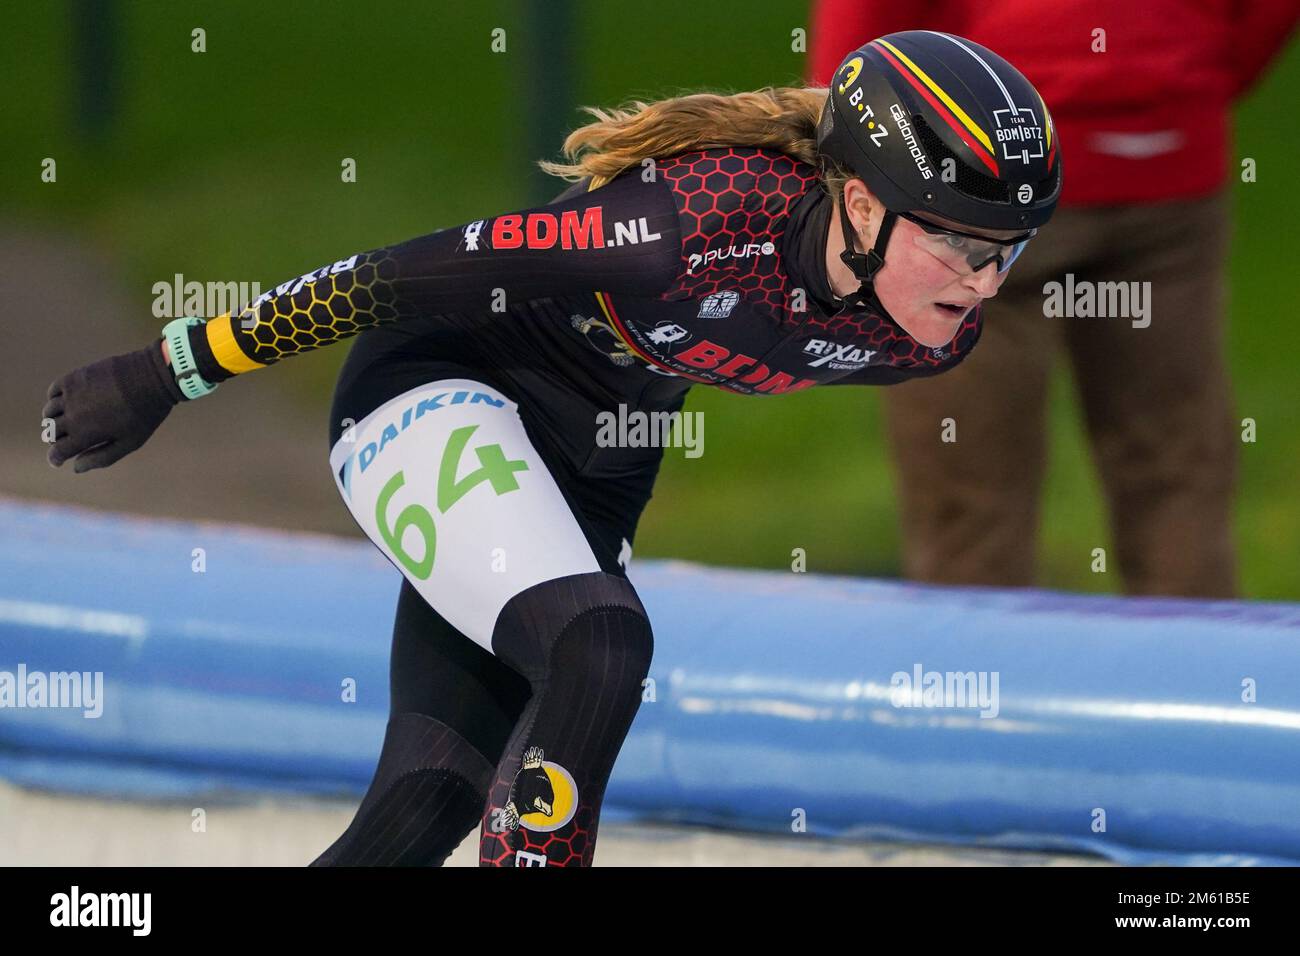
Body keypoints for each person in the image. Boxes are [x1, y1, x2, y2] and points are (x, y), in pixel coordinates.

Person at [41, 30, 1059, 866]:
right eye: (959, 240)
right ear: (862, 204)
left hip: (590, 467)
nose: (982, 280)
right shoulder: (685, 224)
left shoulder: (926, 334)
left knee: (421, 809)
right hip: (435, 385)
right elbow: (399, 275)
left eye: (1007, 249)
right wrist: (168, 369)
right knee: (599, 643)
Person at [810, 2, 1300, 597]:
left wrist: (841, 132)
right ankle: (1196, 657)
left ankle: (975, 656)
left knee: (970, 494)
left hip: (971, 173)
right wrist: (1189, 72)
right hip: (1167, 150)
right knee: (1176, 474)